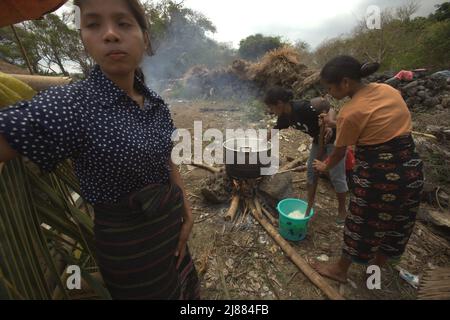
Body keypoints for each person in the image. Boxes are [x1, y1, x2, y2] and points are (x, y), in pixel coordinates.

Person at [0, 0, 199, 300]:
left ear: (144, 38)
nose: (109, 34)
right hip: (129, 250)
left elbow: (167, 156)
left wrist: (185, 205)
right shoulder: (72, 105)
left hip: (170, 230)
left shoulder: (155, 103)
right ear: (84, 38)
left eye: (123, 23)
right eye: (94, 24)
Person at [312, 55, 424, 283]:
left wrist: (324, 166)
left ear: (345, 82)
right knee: (397, 221)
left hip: (380, 176)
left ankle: (340, 271)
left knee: (363, 222)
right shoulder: (388, 90)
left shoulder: (350, 112)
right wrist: (336, 124)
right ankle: (376, 267)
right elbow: (374, 120)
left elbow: (339, 153)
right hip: (411, 170)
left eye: (330, 87)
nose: (330, 93)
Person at [264, 86, 348, 223]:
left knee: (336, 175)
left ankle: (342, 210)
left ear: (279, 104)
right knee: (311, 170)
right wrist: (258, 145)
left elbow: (329, 107)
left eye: (271, 107)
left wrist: (328, 125)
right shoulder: (285, 117)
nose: (271, 111)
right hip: (318, 140)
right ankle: (309, 204)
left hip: (335, 139)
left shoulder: (302, 107)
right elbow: (274, 131)